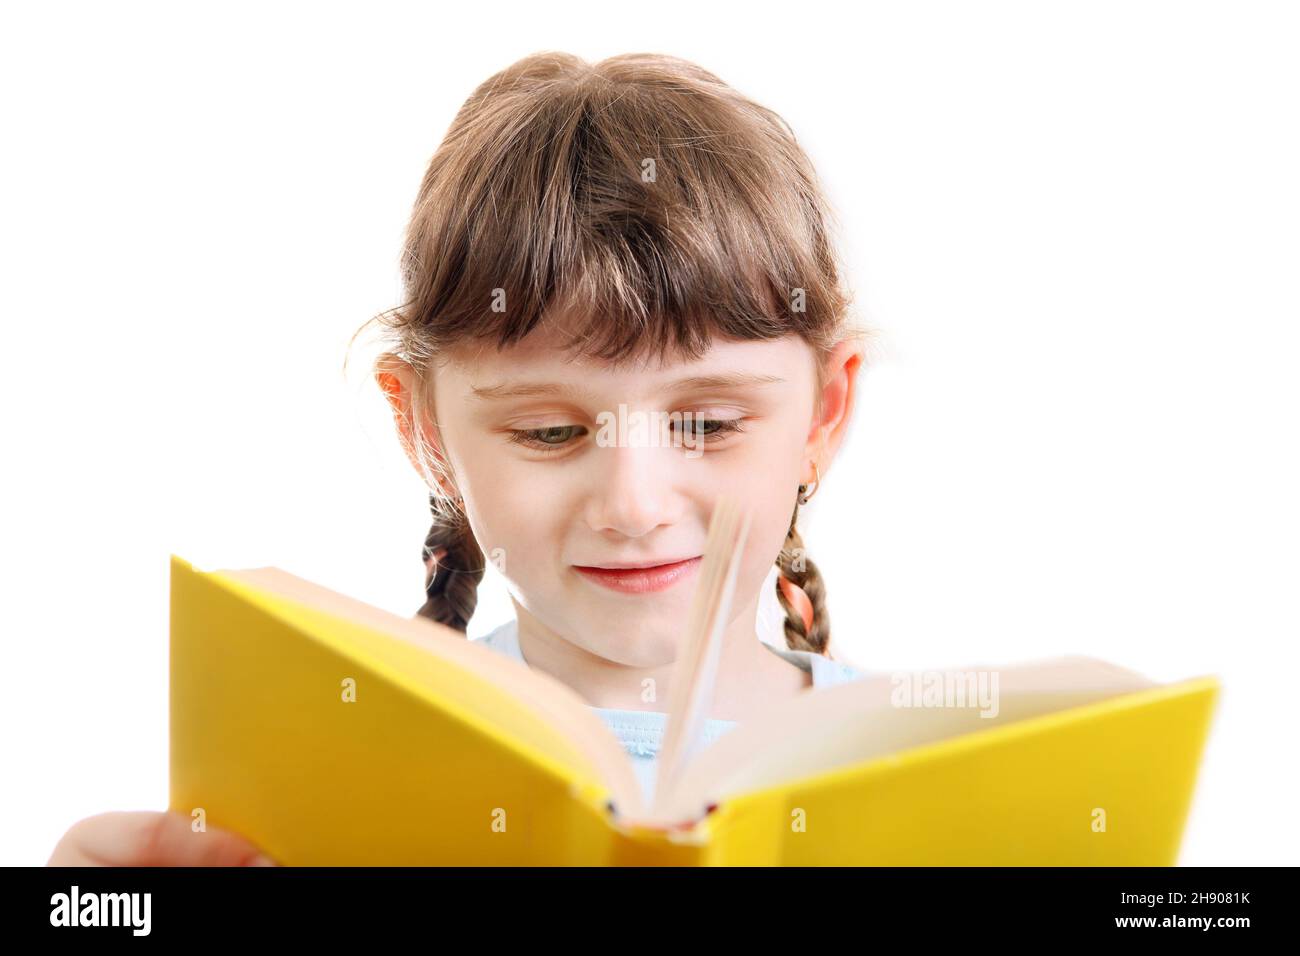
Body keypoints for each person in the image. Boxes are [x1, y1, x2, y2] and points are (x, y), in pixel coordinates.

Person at [48, 50, 868, 866]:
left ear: (822, 414)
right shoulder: (331, 785)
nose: (633, 504)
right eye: (551, 433)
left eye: (711, 422)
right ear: (426, 434)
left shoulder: (908, 761)